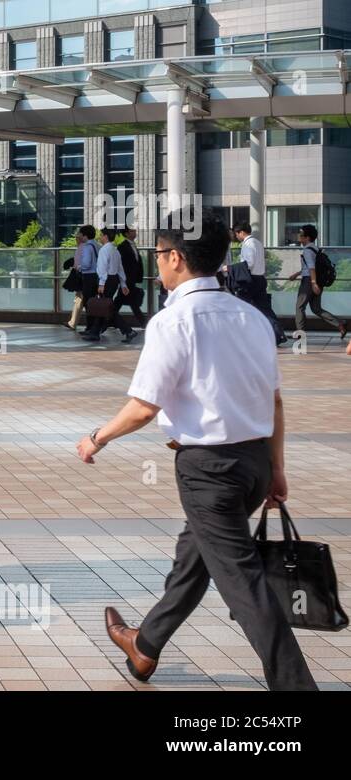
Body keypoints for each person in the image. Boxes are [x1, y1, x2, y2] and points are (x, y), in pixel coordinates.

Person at [78, 208, 317, 691]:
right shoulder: (251, 317)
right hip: (251, 465)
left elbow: (144, 408)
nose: (159, 264)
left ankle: (297, 688)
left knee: (245, 585)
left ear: (177, 258)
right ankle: (144, 647)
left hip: (209, 473)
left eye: (160, 255)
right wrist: (275, 468)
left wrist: (96, 438)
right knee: (194, 559)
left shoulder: (173, 321)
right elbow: (273, 401)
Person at [287, 224, 347, 339]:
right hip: (316, 280)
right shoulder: (314, 248)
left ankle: (300, 334)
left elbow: (311, 268)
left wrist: (313, 284)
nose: (299, 236)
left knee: (300, 307)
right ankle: (339, 324)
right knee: (316, 308)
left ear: (307, 237)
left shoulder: (307, 251)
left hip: (309, 281)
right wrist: (297, 274)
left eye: (301, 234)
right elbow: (310, 266)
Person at [232, 222, 286, 346]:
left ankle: (243, 336)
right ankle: (278, 335)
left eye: (236, 234)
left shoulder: (248, 244)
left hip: (250, 281)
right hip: (260, 279)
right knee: (265, 309)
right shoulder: (257, 242)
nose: (236, 237)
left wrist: (231, 268)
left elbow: (249, 264)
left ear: (241, 232)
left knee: (241, 307)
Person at [82, 228, 137, 343]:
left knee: (106, 307)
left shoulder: (104, 250)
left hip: (106, 280)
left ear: (106, 236)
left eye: (101, 235)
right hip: (114, 280)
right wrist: (123, 284)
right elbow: (120, 268)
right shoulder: (115, 250)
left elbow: (102, 268)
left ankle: (128, 330)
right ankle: (95, 332)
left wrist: (101, 283)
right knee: (105, 305)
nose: (100, 238)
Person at [67, 225, 99, 332]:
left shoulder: (87, 246)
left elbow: (86, 264)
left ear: (85, 235)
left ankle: (91, 328)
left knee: (88, 303)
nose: (78, 235)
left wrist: (78, 267)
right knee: (91, 301)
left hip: (88, 276)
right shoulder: (97, 245)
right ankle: (93, 326)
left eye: (80, 233)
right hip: (96, 276)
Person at [116, 226, 146, 328]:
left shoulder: (132, 245)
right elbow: (121, 265)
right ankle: (144, 322)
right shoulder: (122, 246)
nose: (135, 232)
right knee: (131, 303)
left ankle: (105, 322)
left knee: (119, 302)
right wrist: (122, 280)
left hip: (130, 280)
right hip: (126, 279)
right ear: (127, 234)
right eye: (132, 231)